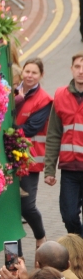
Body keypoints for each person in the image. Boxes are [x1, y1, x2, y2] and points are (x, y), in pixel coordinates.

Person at [13, 58, 53, 248]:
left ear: (41, 75)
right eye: (27, 71)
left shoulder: (44, 100)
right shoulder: (12, 91)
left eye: (34, 73)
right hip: (8, 158)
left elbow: (31, 128)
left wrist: (9, 129)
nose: (29, 75)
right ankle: (14, 259)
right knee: (10, 212)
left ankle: (40, 235)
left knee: (27, 206)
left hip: (29, 160)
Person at [45, 53, 83, 234]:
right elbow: (53, 134)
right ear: (71, 69)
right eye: (77, 67)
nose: (81, 71)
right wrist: (49, 170)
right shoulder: (61, 95)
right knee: (69, 216)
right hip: (70, 170)